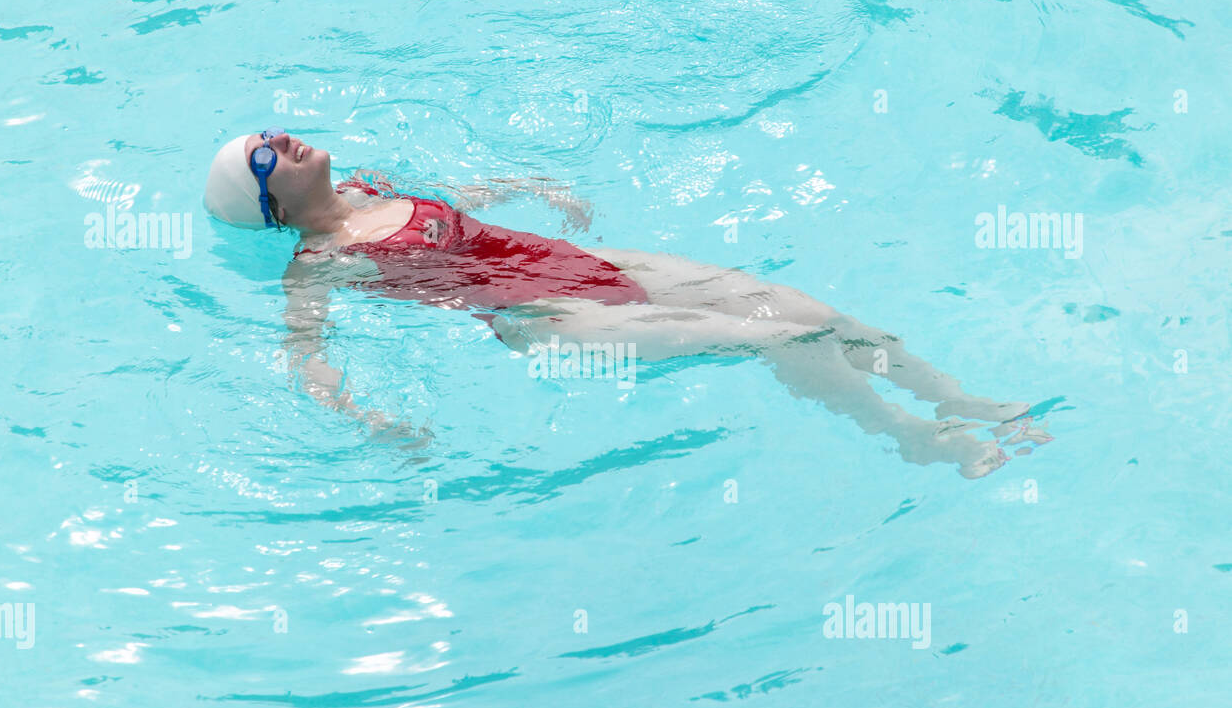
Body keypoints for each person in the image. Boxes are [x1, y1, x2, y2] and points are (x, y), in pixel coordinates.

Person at [204, 128, 1049, 477]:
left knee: (796, 301)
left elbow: (462, 191)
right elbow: (304, 353)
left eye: (270, 134)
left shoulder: (364, 184)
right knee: (779, 337)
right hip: (547, 321)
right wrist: (368, 418)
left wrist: (536, 187)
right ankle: (923, 441)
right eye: (264, 158)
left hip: (581, 262)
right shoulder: (320, 264)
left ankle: (959, 398)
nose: (280, 141)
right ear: (269, 208)